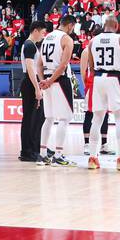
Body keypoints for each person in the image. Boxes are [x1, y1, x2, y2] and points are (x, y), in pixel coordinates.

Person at [80, 16, 120, 171]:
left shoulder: (93, 41)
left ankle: (92, 158)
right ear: (117, 25)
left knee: (96, 119)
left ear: (104, 26)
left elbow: (90, 65)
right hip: (114, 77)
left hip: (97, 77)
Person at [36, 15, 76, 166]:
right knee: (65, 118)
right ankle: (58, 155)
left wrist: (42, 81)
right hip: (59, 80)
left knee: (49, 118)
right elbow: (63, 65)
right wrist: (50, 80)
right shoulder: (67, 39)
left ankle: (42, 154)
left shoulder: (46, 38)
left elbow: (39, 63)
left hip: (47, 81)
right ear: (70, 26)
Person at [17, 22, 48, 163]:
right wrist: (36, 87)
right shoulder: (29, 45)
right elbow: (30, 68)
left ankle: (34, 148)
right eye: (42, 32)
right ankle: (28, 151)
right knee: (31, 118)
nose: (43, 35)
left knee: (37, 117)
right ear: (35, 30)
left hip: (32, 81)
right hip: (30, 83)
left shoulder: (32, 45)